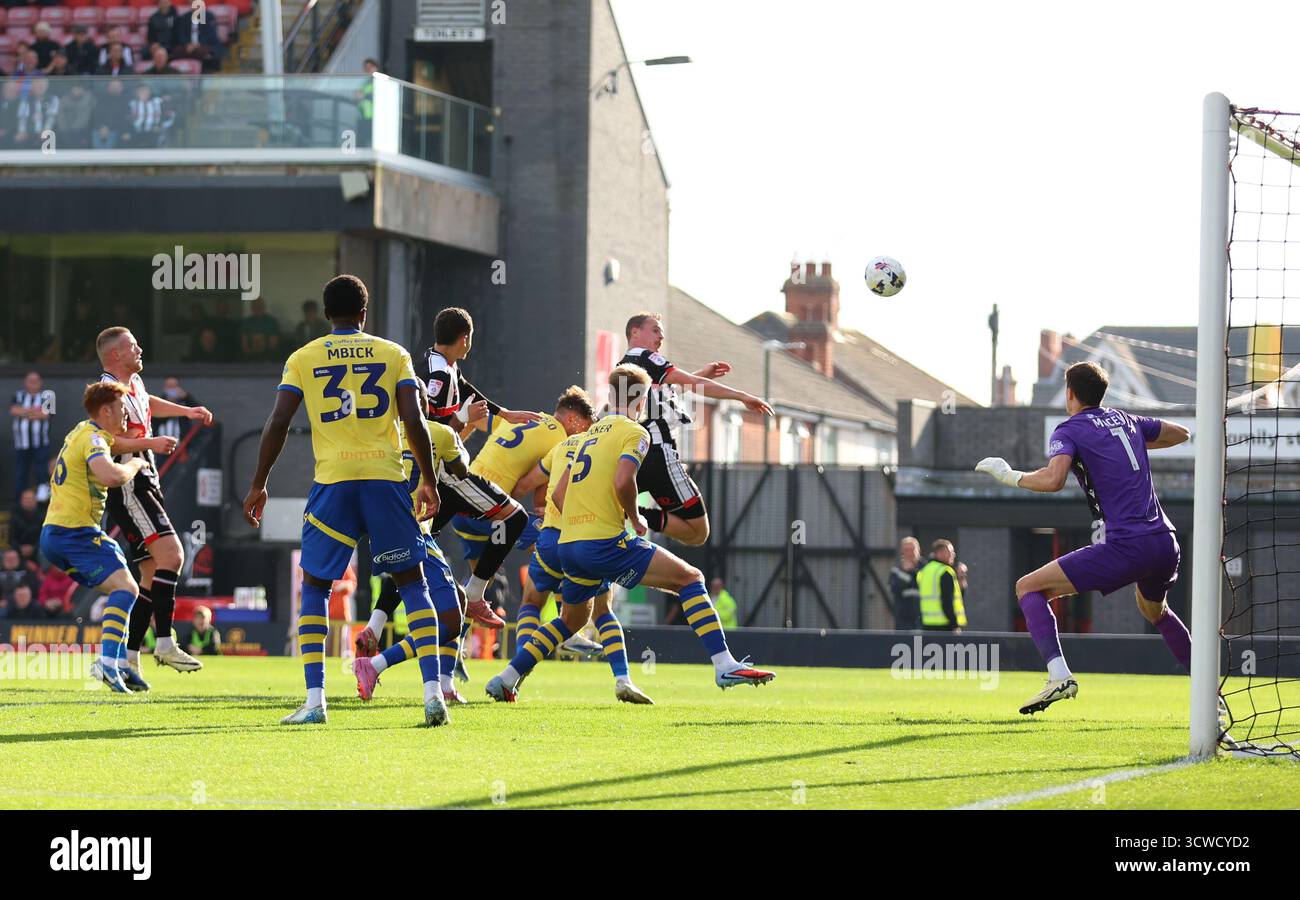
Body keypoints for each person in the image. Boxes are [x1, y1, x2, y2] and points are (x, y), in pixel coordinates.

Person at [485, 364, 776, 702]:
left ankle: (507, 677)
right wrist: (634, 517)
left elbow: (560, 495)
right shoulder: (636, 433)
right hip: (604, 543)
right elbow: (624, 481)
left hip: (569, 544)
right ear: (642, 401)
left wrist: (582, 525)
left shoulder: (585, 437)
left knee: (572, 619)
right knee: (690, 578)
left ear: (610, 395)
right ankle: (724, 664)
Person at [242, 274, 447, 727]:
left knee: (316, 586)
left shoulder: (303, 357)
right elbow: (413, 419)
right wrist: (428, 479)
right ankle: (434, 694)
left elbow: (278, 421)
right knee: (414, 584)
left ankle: (316, 701)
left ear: (326, 311)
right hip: (385, 480)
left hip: (333, 482)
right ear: (364, 313)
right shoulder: (393, 354)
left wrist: (259, 481)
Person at [976, 361, 1191, 715]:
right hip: (1165, 541)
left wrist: (1011, 476)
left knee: (1028, 588)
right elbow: (1181, 433)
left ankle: (1058, 675)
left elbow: (1053, 480)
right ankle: (1210, 694)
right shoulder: (1127, 421)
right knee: (1156, 610)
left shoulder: (1070, 429)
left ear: (1070, 394)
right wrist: (1129, 445)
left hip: (1128, 545)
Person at [98, 327, 212, 687]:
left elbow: (148, 406)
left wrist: (187, 411)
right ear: (115, 354)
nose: (140, 349)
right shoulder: (107, 392)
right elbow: (105, 442)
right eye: (133, 346)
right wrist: (153, 442)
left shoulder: (134, 385)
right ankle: (164, 642)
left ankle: (128, 658)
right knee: (174, 556)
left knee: (150, 575)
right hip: (131, 483)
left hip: (144, 480)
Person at [352, 408, 484, 707]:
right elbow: (461, 469)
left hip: (384, 531)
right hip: (416, 531)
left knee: (459, 600)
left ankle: (446, 684)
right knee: (449, 621)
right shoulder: (438, 432)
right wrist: (459, 425)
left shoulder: (377, 435)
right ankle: (373, 666)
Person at [620, 312, 774, 547]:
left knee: (610, 505)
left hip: (634, 457)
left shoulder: (624, 368)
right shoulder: (647, 357)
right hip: (660, 457)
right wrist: (741, 396)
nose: (661, 335)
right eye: (655, 329)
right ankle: (637, 514)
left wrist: (701, 373)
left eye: (662, 331)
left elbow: (666, 396)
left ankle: (624, 512)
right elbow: (694, 386)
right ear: (635, 332)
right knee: (697, 533)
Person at [39, 381, 150, 692]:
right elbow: (110, 475)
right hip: (75, 532)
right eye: (122, 409)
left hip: (54, 535)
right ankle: (108, 662)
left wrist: (145, 444)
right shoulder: (94, 438)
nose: (127, 415)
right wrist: (136, 463)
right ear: (106, 411)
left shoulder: (79, 431)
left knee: (122, 589)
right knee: (128, 587)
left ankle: (118, 665)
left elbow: (111, 446)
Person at [11, 371, 55, 503]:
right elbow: (13, 410)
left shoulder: (48, 395)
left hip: (41, 442)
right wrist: (35, 412)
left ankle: (42, 502)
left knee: (42, 472)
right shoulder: (18, 395)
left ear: (40, 382)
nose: (33, 384)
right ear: (25, 382)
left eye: (36, 381)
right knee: (21, 474)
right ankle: (20, 502)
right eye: (30, 381)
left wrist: (24, 412)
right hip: (21, 443)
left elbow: (46, 414)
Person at [916, 540, 965, 634]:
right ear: (940, 553)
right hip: (944, 626)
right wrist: (954, 625)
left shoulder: (923, 571)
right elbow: (947, 601)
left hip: (926, 625)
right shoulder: (945, 571)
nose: (953, 555)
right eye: (950, 552)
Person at [889, 536, 922, 630]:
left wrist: (912, 572)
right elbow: (895, 589)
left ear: (918, 551)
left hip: (923, 617)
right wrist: (905, 573)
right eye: (906, 550)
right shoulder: (896, 571)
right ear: (902, 552)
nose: (909, 553)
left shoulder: (925, 568)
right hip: (903, 619)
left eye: (912, 549)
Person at [240, 297, 282, 362]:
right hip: (250, 356)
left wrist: (261, 341)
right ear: (252, 308)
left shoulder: (271, 322)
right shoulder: (246, 323)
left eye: (260, 306)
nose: (258, 308)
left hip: (268, 355)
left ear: (264, 307)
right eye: (256, 306)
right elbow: (244, 344)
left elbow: (273, 343)